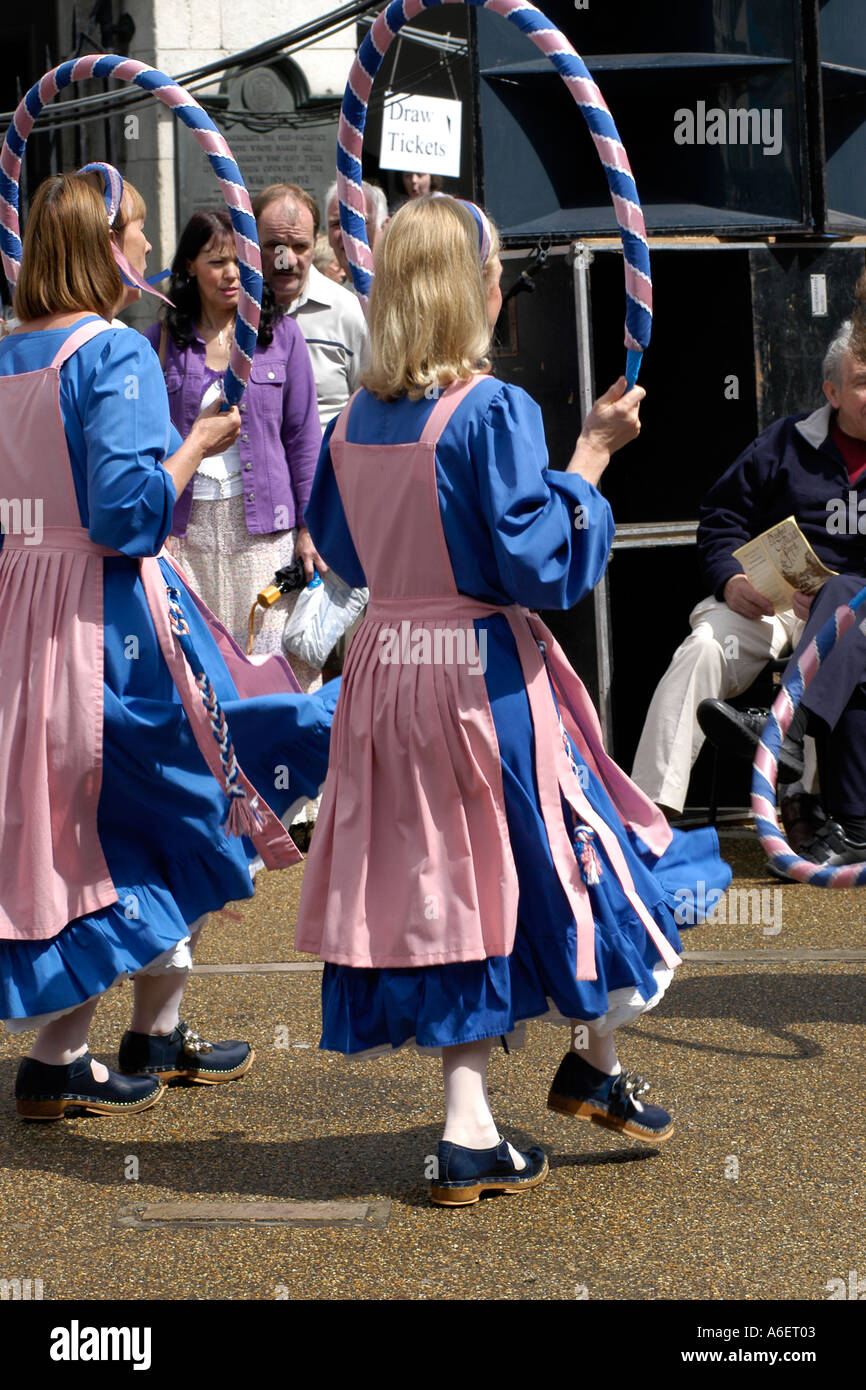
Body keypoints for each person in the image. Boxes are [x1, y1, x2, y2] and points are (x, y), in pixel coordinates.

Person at [293, 195, 730, 1206]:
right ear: (470, 288)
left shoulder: (351, 421)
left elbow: (345, 560)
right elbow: (540, 565)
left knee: (454, 885)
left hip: (386, 672)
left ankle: (538, 1088)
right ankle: (534, 1088)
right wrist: (590, 458)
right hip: (480, 678)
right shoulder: (490, 410)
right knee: (573, 853)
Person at [0, 168, 337, 1120]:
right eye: (138, 231)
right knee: (165, 807)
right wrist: (195, 445)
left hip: (26, 613)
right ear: (108, 248)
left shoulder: (8, 354)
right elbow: (128, 515)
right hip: (107, 621)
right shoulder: (112, 353)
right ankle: (66, 1052)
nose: (147, 251)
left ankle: (145, 1029)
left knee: (88, 823)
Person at [631, 320, 866, 818]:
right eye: (863, 382)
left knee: (842, 619)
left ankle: (804, 803)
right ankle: (648, 813)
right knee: (704, 648)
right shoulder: (787, 441)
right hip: (775, 605)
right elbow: (721, 518)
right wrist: (731, 580)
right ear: (833, 391)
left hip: (857, 620)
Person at [143, 208, 323, 684]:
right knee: (192, 671)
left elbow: (304, 441)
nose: (230, 274)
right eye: (216, 260)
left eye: (239, 261)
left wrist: (309, 529)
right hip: (185, 535)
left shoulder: (281, 336)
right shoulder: (160, 341)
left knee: (271, 667)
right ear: (188, 267)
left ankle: (275, 759)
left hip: (264, 537)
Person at [254, 183, 368, 433]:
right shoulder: (232, 313)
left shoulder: (349, 314)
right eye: (275, 245)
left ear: (316, 242)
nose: (288, 260)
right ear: (252, 239)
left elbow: (371, 411)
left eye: (300, 246)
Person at [324, 180, 389, 284]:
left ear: (385, 228)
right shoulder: (332, 297)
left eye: (358, 221)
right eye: (336, 224)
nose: (346, 234)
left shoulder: (406, 292)